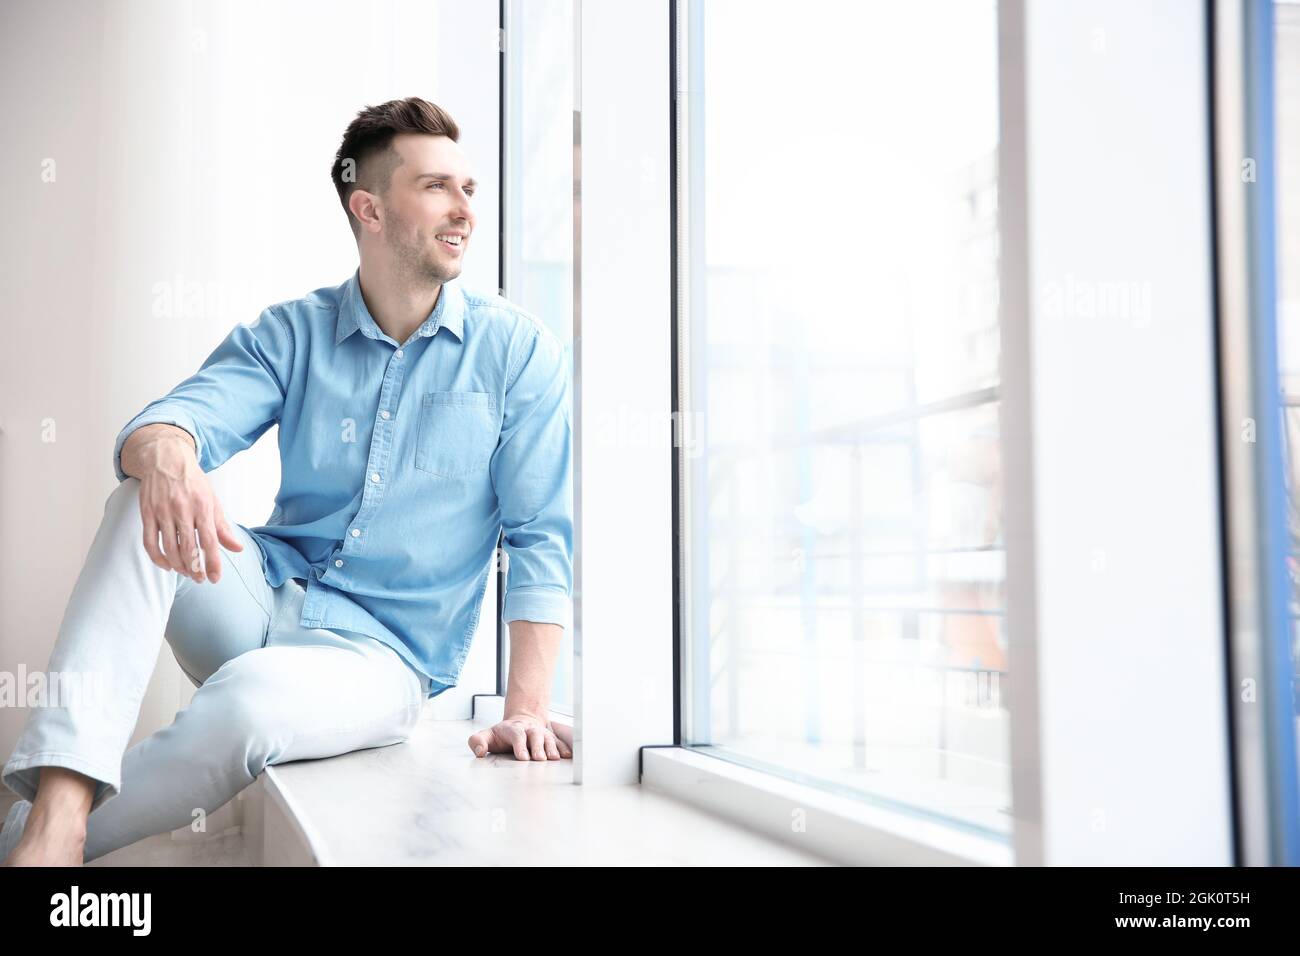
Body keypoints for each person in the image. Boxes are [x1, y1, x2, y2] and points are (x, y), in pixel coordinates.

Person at [0, 97, 574, 866]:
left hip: (379, 660)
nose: (465, 210)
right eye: (437, 187)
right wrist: (167, 449)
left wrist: (525, 708)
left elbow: (540, 536)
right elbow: (168, 423)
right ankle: (58, 811)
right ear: (367, 207)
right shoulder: (293, 333)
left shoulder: (517, 354)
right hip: (260, 597)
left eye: (469, 189)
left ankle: (28, 845)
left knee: (245, 706)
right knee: (140, 493)